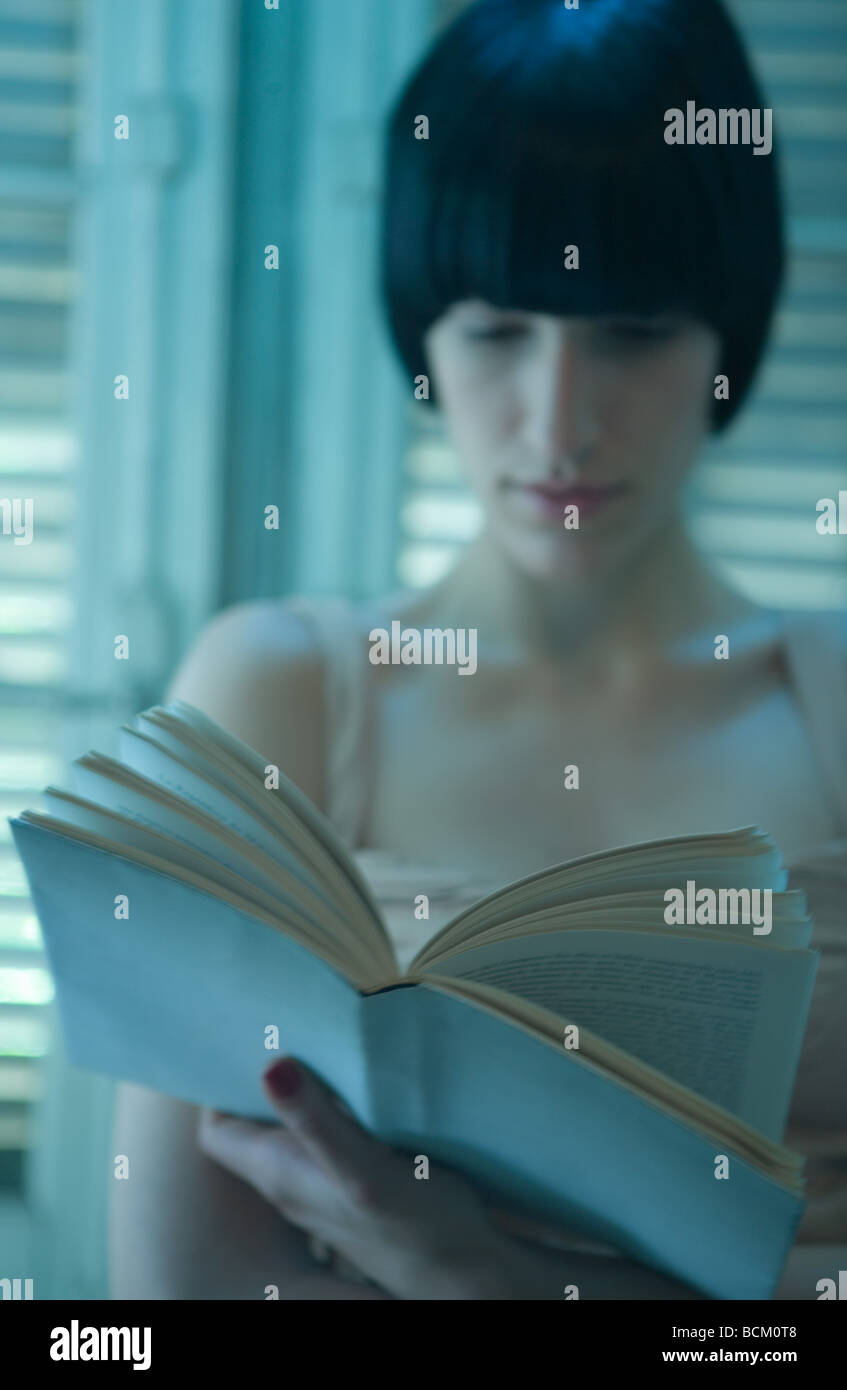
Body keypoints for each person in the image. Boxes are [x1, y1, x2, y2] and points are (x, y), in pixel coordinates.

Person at [109, 0, 847, 1299]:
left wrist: (479, 1276)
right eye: (499, 328)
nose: (559, 425)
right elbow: (172, 1297)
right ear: (423, 335)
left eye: (632, 330)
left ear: (726, 328)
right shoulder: (271, 686)